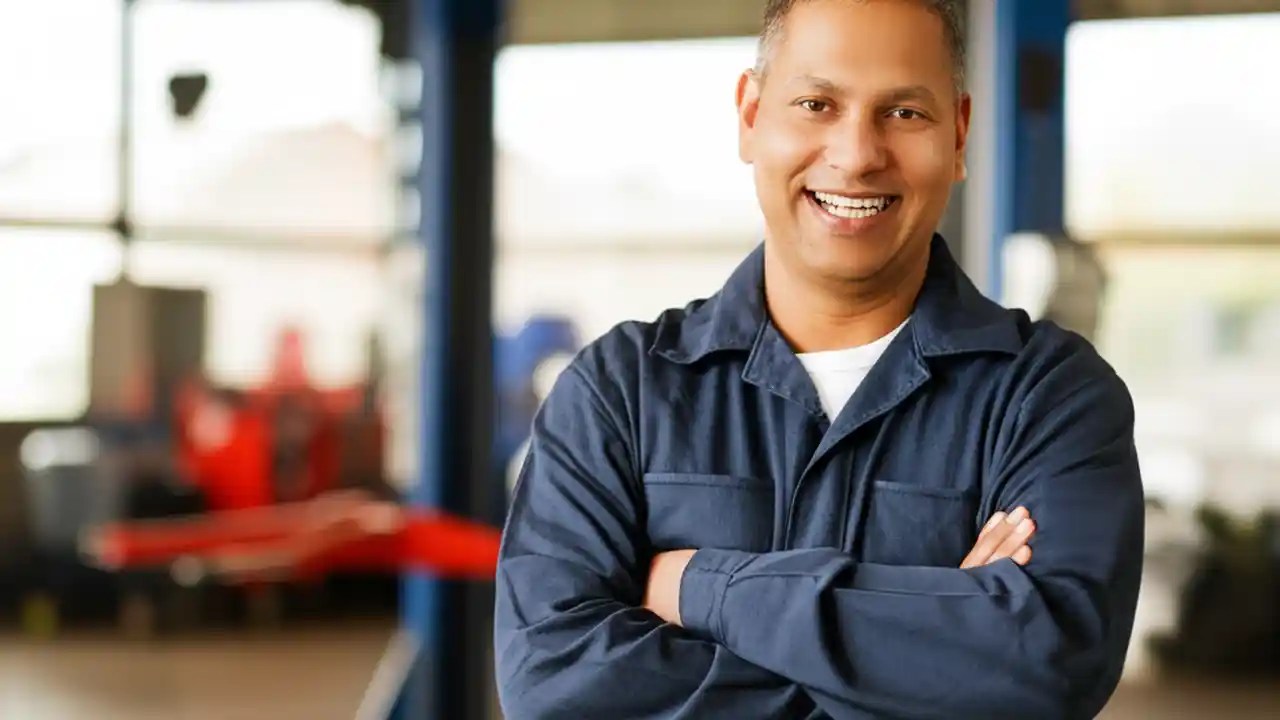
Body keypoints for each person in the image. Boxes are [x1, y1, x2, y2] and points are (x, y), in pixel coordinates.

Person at [494, 0, 1143, 718]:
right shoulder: (620, 391)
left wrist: (701, 589)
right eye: (816, 103)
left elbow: (1046, 668)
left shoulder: (1050, 399)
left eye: (903, 113)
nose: (858, 153)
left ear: (958, 134)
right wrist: (931, 656)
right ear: (750, 115)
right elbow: (554, 685)